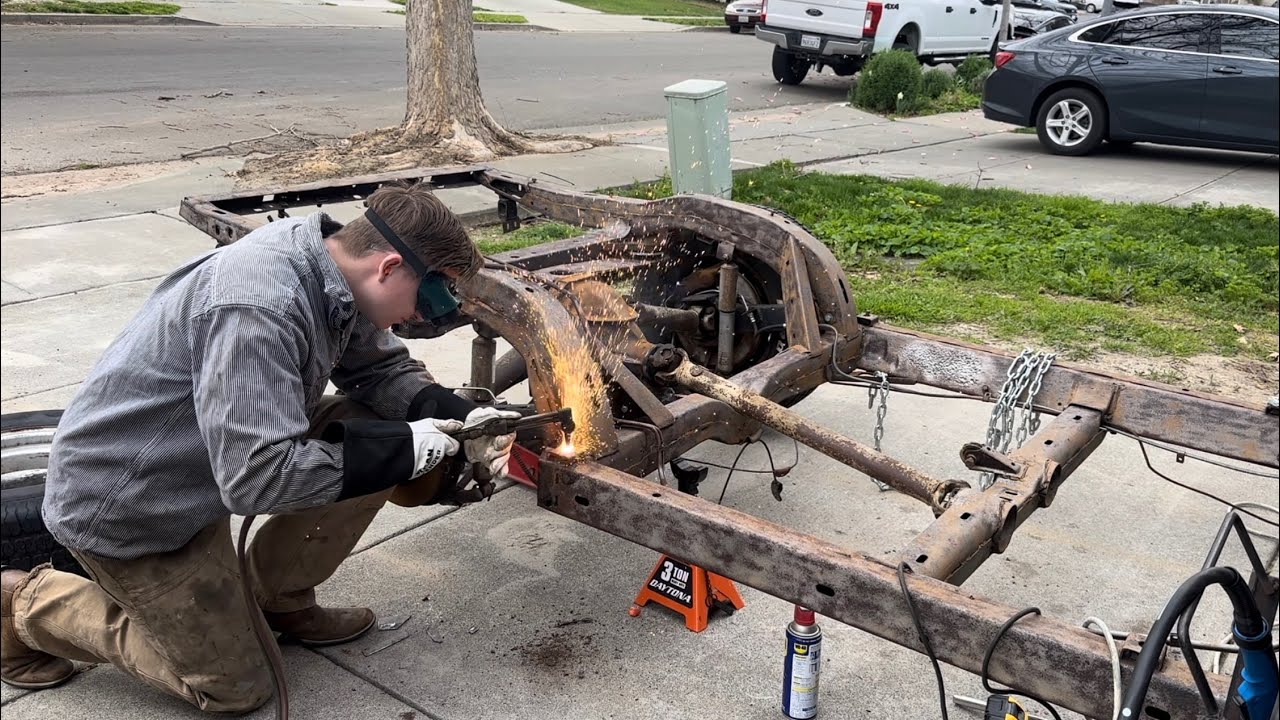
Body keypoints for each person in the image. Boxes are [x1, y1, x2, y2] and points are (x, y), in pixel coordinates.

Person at [1, 182, 518, 713]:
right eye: (433, 296)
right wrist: (405, 451)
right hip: (135, 502)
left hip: (210, 461)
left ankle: (280, 599)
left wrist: (460, 415)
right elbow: (256, 477)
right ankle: (24, 603)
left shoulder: (333, 266)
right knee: (236, 687)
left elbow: (382, 371)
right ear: (387, 267)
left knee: (374, 420)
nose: (427, 316)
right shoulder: (259, 305)